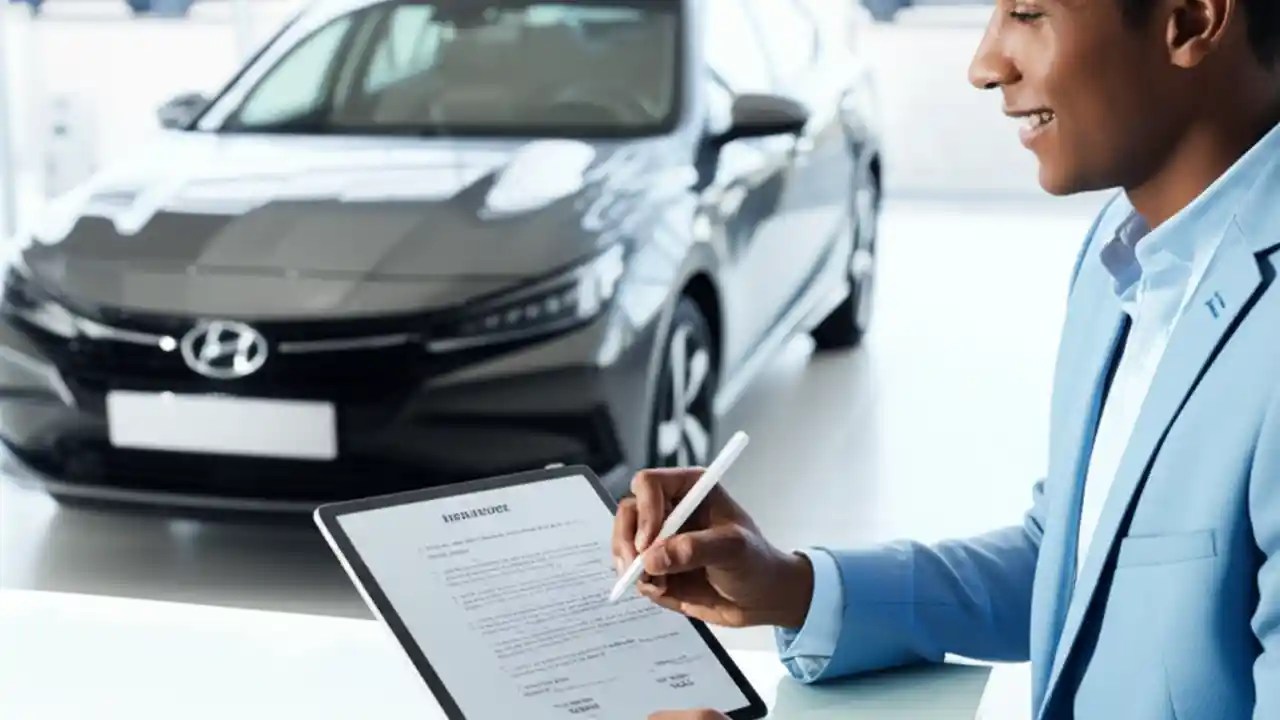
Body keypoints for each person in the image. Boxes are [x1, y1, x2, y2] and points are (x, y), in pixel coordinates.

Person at [612, 0, 1280, 717]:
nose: (985, 63)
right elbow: (1069, 562)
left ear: (1192, 18)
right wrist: (790, 586)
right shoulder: (1122, 255)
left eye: (1028, 13)